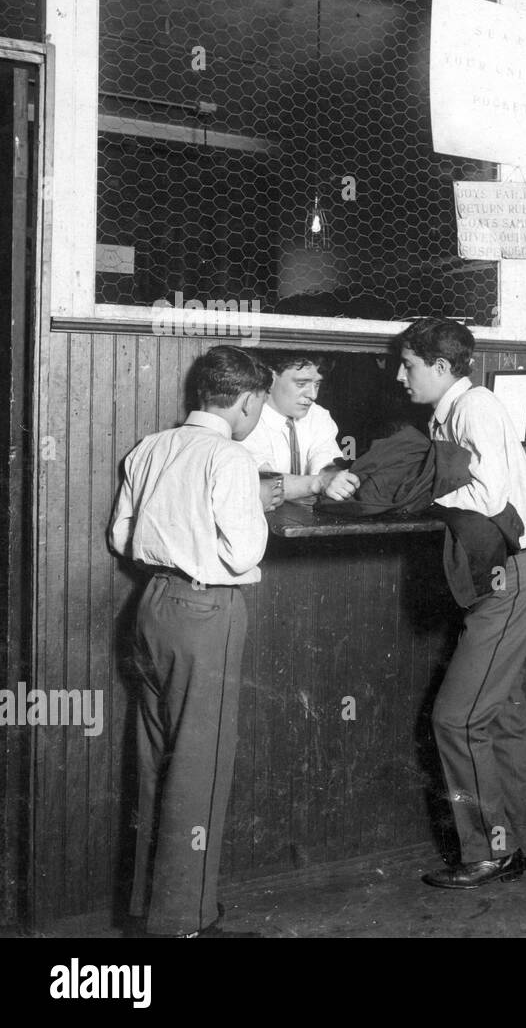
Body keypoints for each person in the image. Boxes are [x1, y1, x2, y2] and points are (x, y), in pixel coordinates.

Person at [109, 345, 280, 938]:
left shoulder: (150, 448)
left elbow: (121, 534)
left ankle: (149, 907)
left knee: (157, 759)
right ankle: (185, 922)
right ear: (250, 399)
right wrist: (257, 503)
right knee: (200, 768)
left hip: (151, 605)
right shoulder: (231, 457)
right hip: (207, 609)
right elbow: (244, 552)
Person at [396, 317, 526, 889]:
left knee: (455, 719)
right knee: (502, 714)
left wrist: (410, 492)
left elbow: (487, 494)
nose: (399, 376)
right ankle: (524, 843)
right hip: (501, 574)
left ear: (441, 367)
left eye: (408, 364)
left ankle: (489, 852)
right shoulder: (452, 413)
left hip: (509, 576)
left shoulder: (476, 406)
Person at [242, 350, 359, 502]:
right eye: (301, 384)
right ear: (270, 378)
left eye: (317, 384)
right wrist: (319, 483)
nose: (313, 395)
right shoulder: (247, 418)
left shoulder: (318, 416)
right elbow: (266, 483)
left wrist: (333, 478)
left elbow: (326, 464)